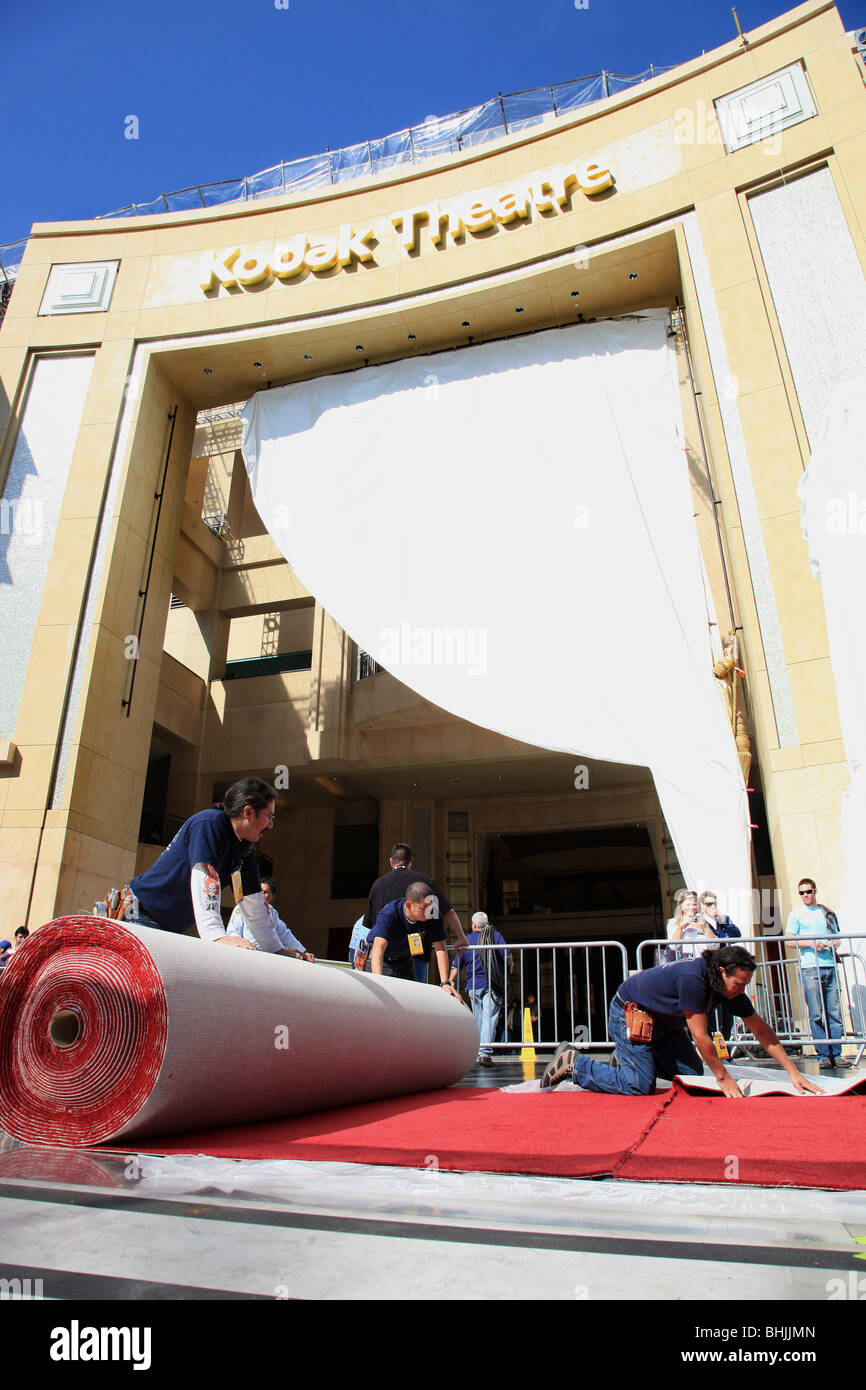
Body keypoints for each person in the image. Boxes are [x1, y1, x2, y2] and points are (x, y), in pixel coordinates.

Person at [540, 944, 824, 1099]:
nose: (742, 990)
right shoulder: (694, 980)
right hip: (630, 1013)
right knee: (639, 1085)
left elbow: (762, 1030)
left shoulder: (729, 987)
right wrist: (723, 1078)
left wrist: (792, 1072)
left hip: (665, 1025)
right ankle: (573, 1063)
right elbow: (700, 1037)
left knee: (691, 1075)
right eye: (739, 983)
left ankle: (626, 1061)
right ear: (722, 972)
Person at [128, 777, 283, 953]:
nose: (270, 825)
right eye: (268, 817)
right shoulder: (208, 824)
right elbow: (205, 877)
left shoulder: (245, 848)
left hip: (167, 929)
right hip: (139, 916)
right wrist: (215, 936)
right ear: (247, 812)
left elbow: (252, 904)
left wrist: (277, 949)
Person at [785, 876, 851, 1071]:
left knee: (834, 1012)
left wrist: (831, 944)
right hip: (809, 967)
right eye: (802, 893)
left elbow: (837, 936)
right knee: (816, 1013)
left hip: (829, 964)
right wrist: (811, 944)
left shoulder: (827, 912)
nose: (805, 895)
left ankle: (836, 1053)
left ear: (815, 891)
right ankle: (823, 1054)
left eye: (808, 891)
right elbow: (789, 940)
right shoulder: (796, 915)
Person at [362, 842, 468, 949]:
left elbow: (369, 924)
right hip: (417, 950)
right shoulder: (424, 882)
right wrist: (462, 938)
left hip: (386, 952)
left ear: (391, 861)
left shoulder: (378, 885)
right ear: (411, 861)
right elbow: (448, 912)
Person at [368, 881, 461, 998]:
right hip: (383, 961)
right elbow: (378, 950)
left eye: (431, 908)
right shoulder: (389, 914)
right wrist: (379, 983)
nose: (429, 913)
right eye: (423, 909)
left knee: (410, 1000)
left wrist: (445, 983)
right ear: (408, 905)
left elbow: (440, 948)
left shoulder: (432, 914)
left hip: (405, 961)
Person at [449, 911, 511, 1067]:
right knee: (489, 1018)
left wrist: (448, 982)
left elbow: (456, 966)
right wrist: (509, 971)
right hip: (492, 985)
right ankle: (484, 1053)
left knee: (478, 1020)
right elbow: (507, 957)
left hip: (473, 986)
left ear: (473, 925)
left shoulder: (467, 941)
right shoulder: (495, 936)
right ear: (487, 924)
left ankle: (477, 1051)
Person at [227, 877, 315, 961]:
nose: (261, 895)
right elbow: (233, 932)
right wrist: (242, 944)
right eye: (259, 892)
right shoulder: (242, 907)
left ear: (272, 896)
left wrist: (303, 952)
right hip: (246, 954)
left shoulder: (273, 913)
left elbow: (284, 934)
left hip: (267, 957)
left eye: (265, 892)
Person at [699, 889, 742, 1041]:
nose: (712, 907)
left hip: (726, 970)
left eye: (714, 904)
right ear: (702, 906)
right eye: (709, 904)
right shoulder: (701, 922)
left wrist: (724, 921)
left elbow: (736, 934)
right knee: (712, 1009)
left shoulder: (723, 921)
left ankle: (726, 1044)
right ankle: (714, 1044)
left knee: (727, 1010)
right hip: (712, 970)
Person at [665, 888, 717, 959]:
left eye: (694, 904)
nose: (692, 907)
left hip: (704, 961)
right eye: (688, 905)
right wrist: (681, 926)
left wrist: (705, 926)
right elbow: (673, 946)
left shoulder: (705, 920)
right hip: (684, 963)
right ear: (681, 906)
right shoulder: (673, 922)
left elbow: (715, 945)